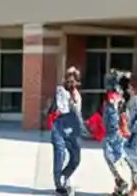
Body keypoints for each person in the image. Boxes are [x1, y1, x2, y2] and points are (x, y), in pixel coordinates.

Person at [50, 67, 83, 196]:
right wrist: (70, 97)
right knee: (60, 155)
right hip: (59, 127)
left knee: (76, 157)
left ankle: (65, 175)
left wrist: (74, 98)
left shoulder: (77, 94)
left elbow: (77, 111)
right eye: (69, 79)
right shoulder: (61, 91)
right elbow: (63, 109)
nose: (71, 83)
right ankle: (59, 184)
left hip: (72, 128)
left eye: (74, 80)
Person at [101, 84, 132, 196]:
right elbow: (126, 118)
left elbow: (110, 122)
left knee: (113, 160)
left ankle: (122, 183)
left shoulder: (111, 103)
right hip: (120, 135)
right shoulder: (121, 102)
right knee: (118, 160)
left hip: (114, 135)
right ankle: (120, 187)